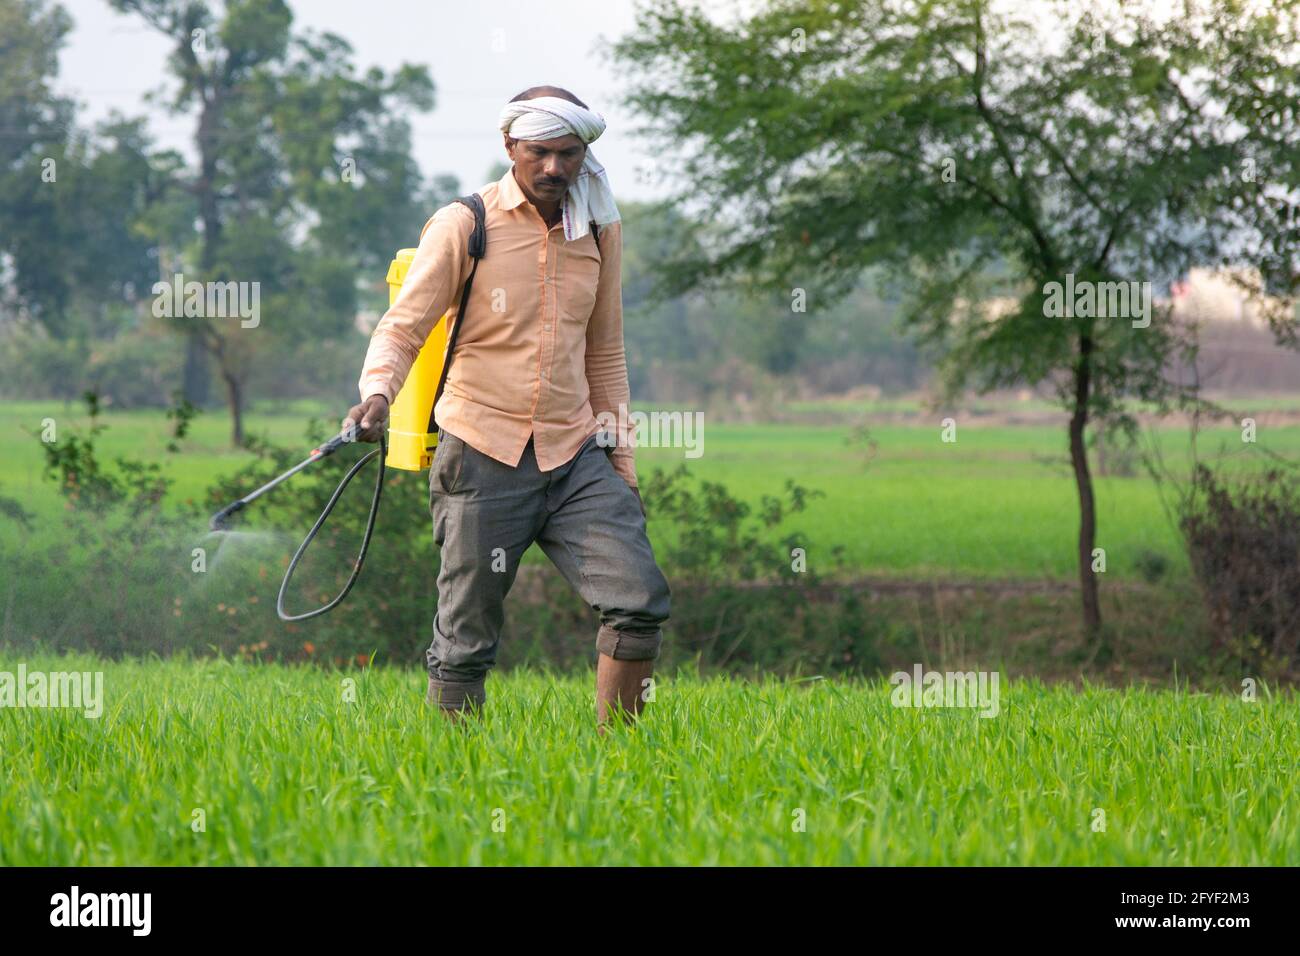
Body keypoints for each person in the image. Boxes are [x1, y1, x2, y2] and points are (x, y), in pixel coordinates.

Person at [343, 85, 670, 734]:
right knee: (466, 637)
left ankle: (624, 758)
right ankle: (451, 770)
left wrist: (622, 463)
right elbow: (404, 326)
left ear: (585, 153)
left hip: (577, 456)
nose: (555, 168)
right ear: (510, 147)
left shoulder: (598, 230)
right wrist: (377, 394)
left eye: (569, 154)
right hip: (482, 453)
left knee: (638, 599)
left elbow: (605, 351)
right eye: (541, 152)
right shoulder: (468, 224)